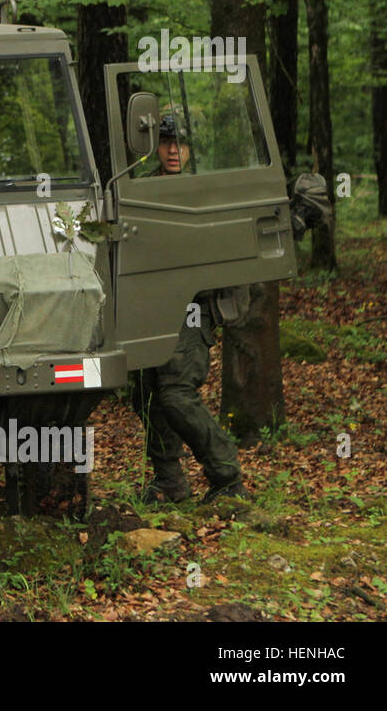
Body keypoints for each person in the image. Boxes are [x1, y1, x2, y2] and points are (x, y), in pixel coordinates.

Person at [131, 112, 250, 503]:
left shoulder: (206, 191)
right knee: (148, 395)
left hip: (193, 307)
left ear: (190, 148)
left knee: (177, 394)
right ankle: (169, 481)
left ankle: (227, 478)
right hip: (150, 306)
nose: (172, 150)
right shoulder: (141, 190)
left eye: (179, 143)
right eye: (165, 142)